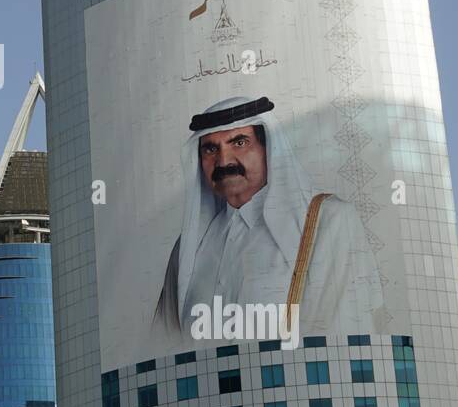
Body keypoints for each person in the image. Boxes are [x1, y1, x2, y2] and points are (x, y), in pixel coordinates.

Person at [152, 95, 384, 344]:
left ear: (269, 149)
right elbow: (160, 344)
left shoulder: (327, 222)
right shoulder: (188, 247)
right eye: (210, 149)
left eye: (239, 142)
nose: (224, 161)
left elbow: (337, 338)